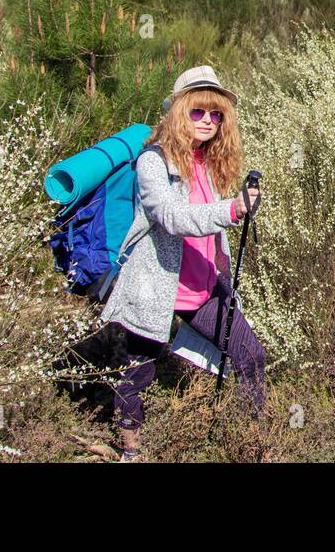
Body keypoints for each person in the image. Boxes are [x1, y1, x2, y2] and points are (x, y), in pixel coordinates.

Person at [100, 65, 266, 461]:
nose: (208, 121)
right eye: (198, 112)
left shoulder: (207, 160)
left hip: (202, 285)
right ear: (179, 112)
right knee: (138, 371)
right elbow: (172, 216)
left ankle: (249, 444)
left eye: (216, 114)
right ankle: (131, 451)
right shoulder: (153, 163)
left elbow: (210, 223)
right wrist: (232, 209)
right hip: (156, 285)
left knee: (250, 354)